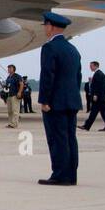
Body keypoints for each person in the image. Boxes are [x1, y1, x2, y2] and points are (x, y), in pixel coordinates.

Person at [38, 11, 83, 186]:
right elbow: (77, 77)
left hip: (55, 102)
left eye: (45, 25)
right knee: (70, 138)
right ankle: (71, 175)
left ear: (51, 26)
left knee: (57, 139)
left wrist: (45, 100)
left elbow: (48, 75)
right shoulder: (72, 49)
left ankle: (60, 175)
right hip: (71, 101)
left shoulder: (49, 48)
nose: (45, 29)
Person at [80, 61, 105, 131]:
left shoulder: (98, 74)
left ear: (96, 66)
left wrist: (95, 95)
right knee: (102, 113)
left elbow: (99, 86)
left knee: (95, 112)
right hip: (101, 98)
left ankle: (87, 126)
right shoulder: (98, 74)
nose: (90, 67)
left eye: (91, 66)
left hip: (99, 98)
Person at [2, 64, 22, 129]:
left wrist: (19, 92)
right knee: (9, 111)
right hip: (9, 96)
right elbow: (7, 87)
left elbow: (21, 84)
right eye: (8, 68)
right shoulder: (8, 77)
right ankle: (10, 123)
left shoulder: (17, 76)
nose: (9, 69)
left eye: (10, 68)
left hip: (15, 95)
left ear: (14, 69)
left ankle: (14, 124)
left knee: (15, 110)